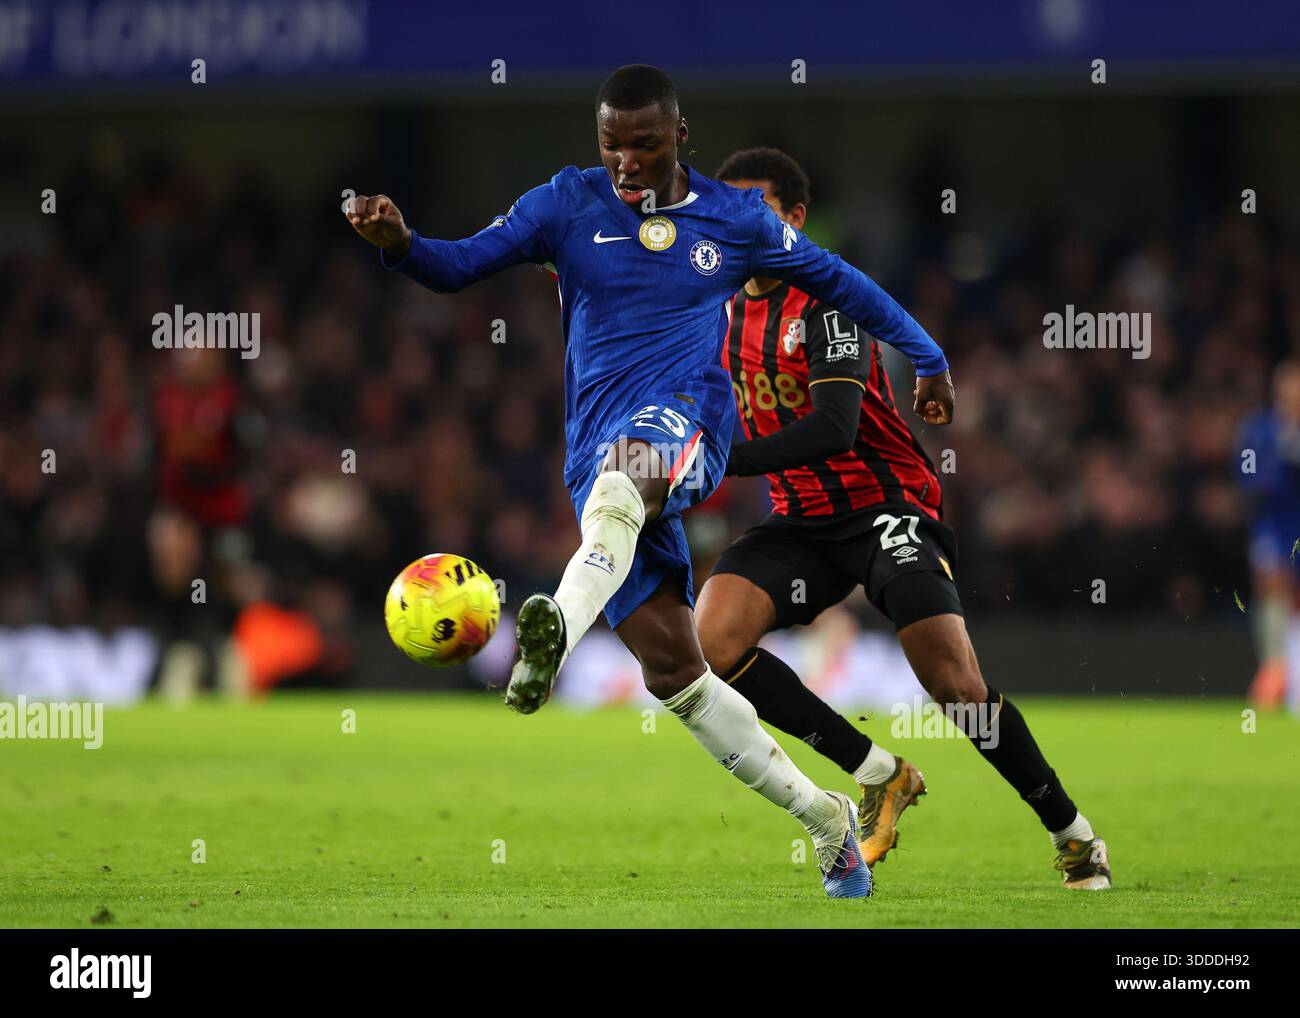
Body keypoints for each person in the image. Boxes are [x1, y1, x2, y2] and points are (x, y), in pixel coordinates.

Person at [344, 66, 952, 899]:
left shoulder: (736, 219)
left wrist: (928, 355)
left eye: (646, 144)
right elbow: (457, 267)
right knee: (680, 679)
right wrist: (400, 244)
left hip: (691, 417)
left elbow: (843, 283)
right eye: (613, 143)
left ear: (680, 138)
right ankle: (827, 820)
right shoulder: (564, 204)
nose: (627, 160)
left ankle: (554, 627)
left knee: (626, 480)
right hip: (593, 451)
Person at [694, 146, 1110, 890]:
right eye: (725, 207)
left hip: (886, 506)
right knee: (715, 639)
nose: (733, 222)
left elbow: (834, 427)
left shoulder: (824, 299)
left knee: (955, 688)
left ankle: (1072, 832)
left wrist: (725, 460)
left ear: (792, 219)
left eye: (751, 206)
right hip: (802, 520)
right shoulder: (714, 305)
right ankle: (877, 771)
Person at [1237, 360, 1300, 713]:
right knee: (1273, 580)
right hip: (1274, 527)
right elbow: (1249, 480)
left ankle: (1290, 674)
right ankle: (1274, 667)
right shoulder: (1259, 430)